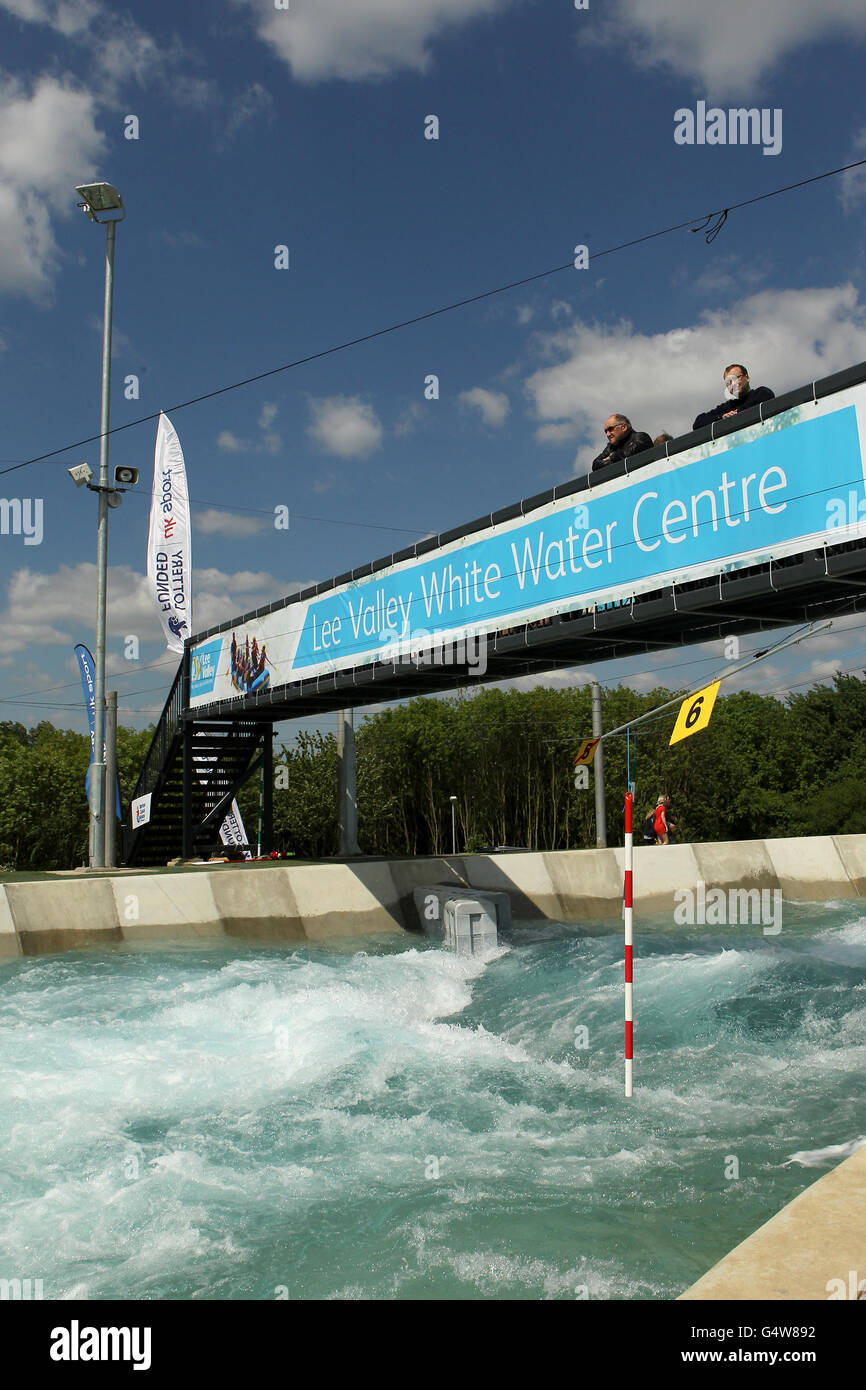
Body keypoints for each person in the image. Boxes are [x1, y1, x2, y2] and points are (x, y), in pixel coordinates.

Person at [692, 365, 774, 430]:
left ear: (747, 378)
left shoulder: (761, 393)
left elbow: (765, 399)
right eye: (728, 382)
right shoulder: (727, 407)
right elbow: (698, 422)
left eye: (736, 378)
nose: (733, 384)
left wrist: (737, 413)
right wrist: (721, 417)